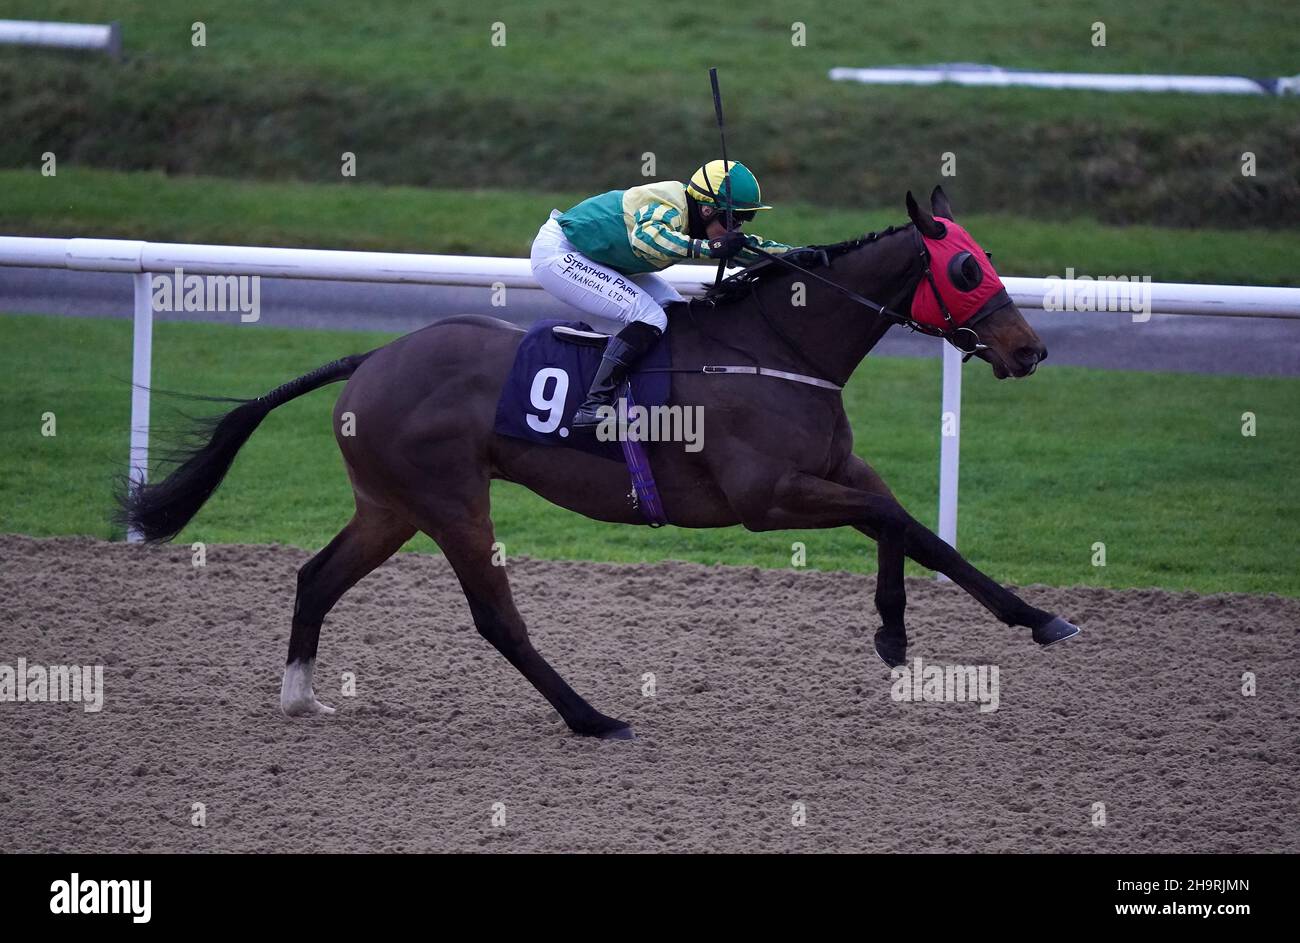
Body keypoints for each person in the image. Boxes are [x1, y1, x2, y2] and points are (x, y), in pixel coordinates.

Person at [529, 160, 801, 428]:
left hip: (597, 256)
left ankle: (652, 391)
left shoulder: (699, 216)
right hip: (561, 253)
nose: (739, 227)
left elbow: (742, 249)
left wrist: (798, 256)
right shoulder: (669, 203)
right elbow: (647, 239)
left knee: (676, 311)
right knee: (651, 317)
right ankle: (593, 405)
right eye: (735, 218)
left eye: (744, 219)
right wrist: (709, 249)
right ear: (707, 209)